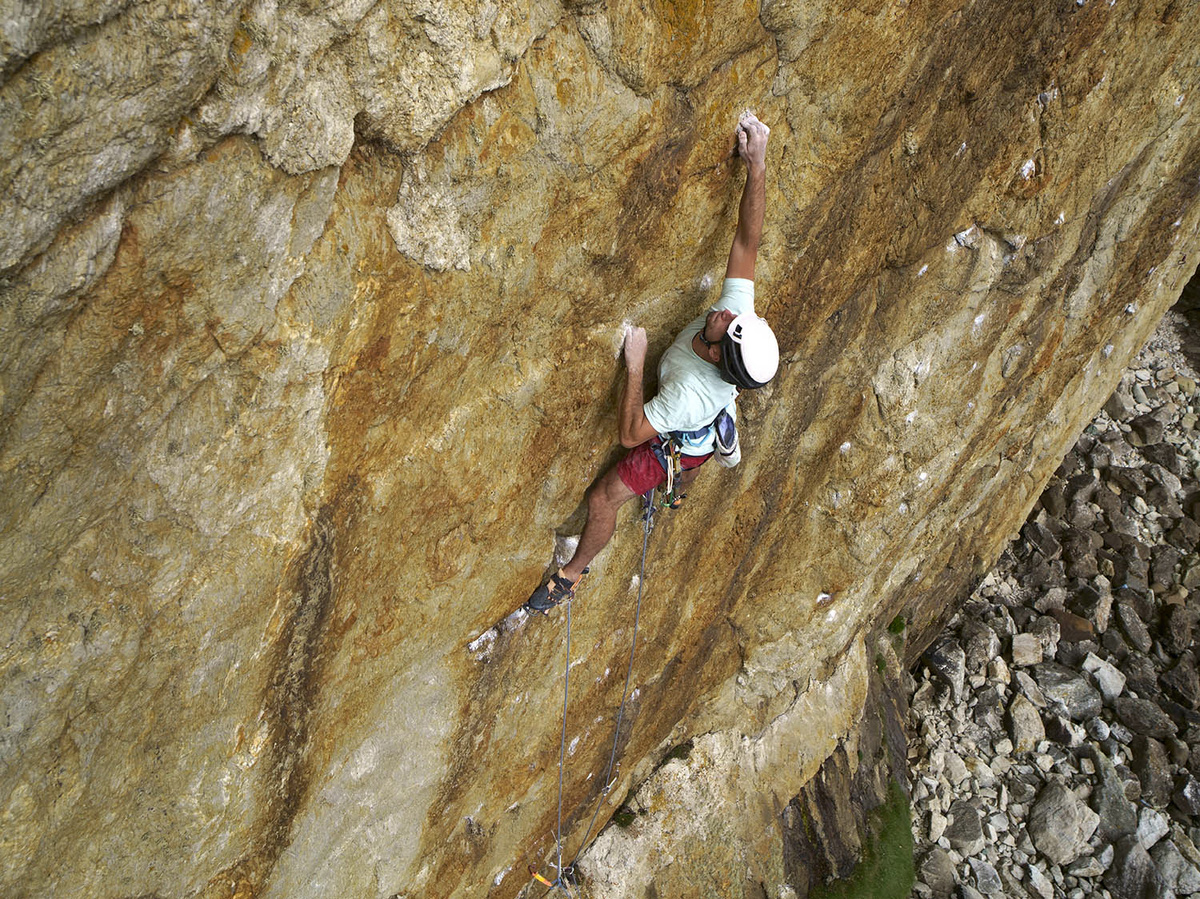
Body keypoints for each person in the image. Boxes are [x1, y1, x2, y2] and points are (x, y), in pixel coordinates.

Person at [526, 112, 779, 613]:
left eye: (725, 320)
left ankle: (572, 575)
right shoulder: (734, 325)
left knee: (604, 499)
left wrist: (636, 364)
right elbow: (748, 241)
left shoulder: (687, 391)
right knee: (698, 451)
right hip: (704, 419)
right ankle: (692, 472)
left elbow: (631, 434)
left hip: (684, 426)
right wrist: (757, 168)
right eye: (731, 314)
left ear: (715, 352)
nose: (726, 309)